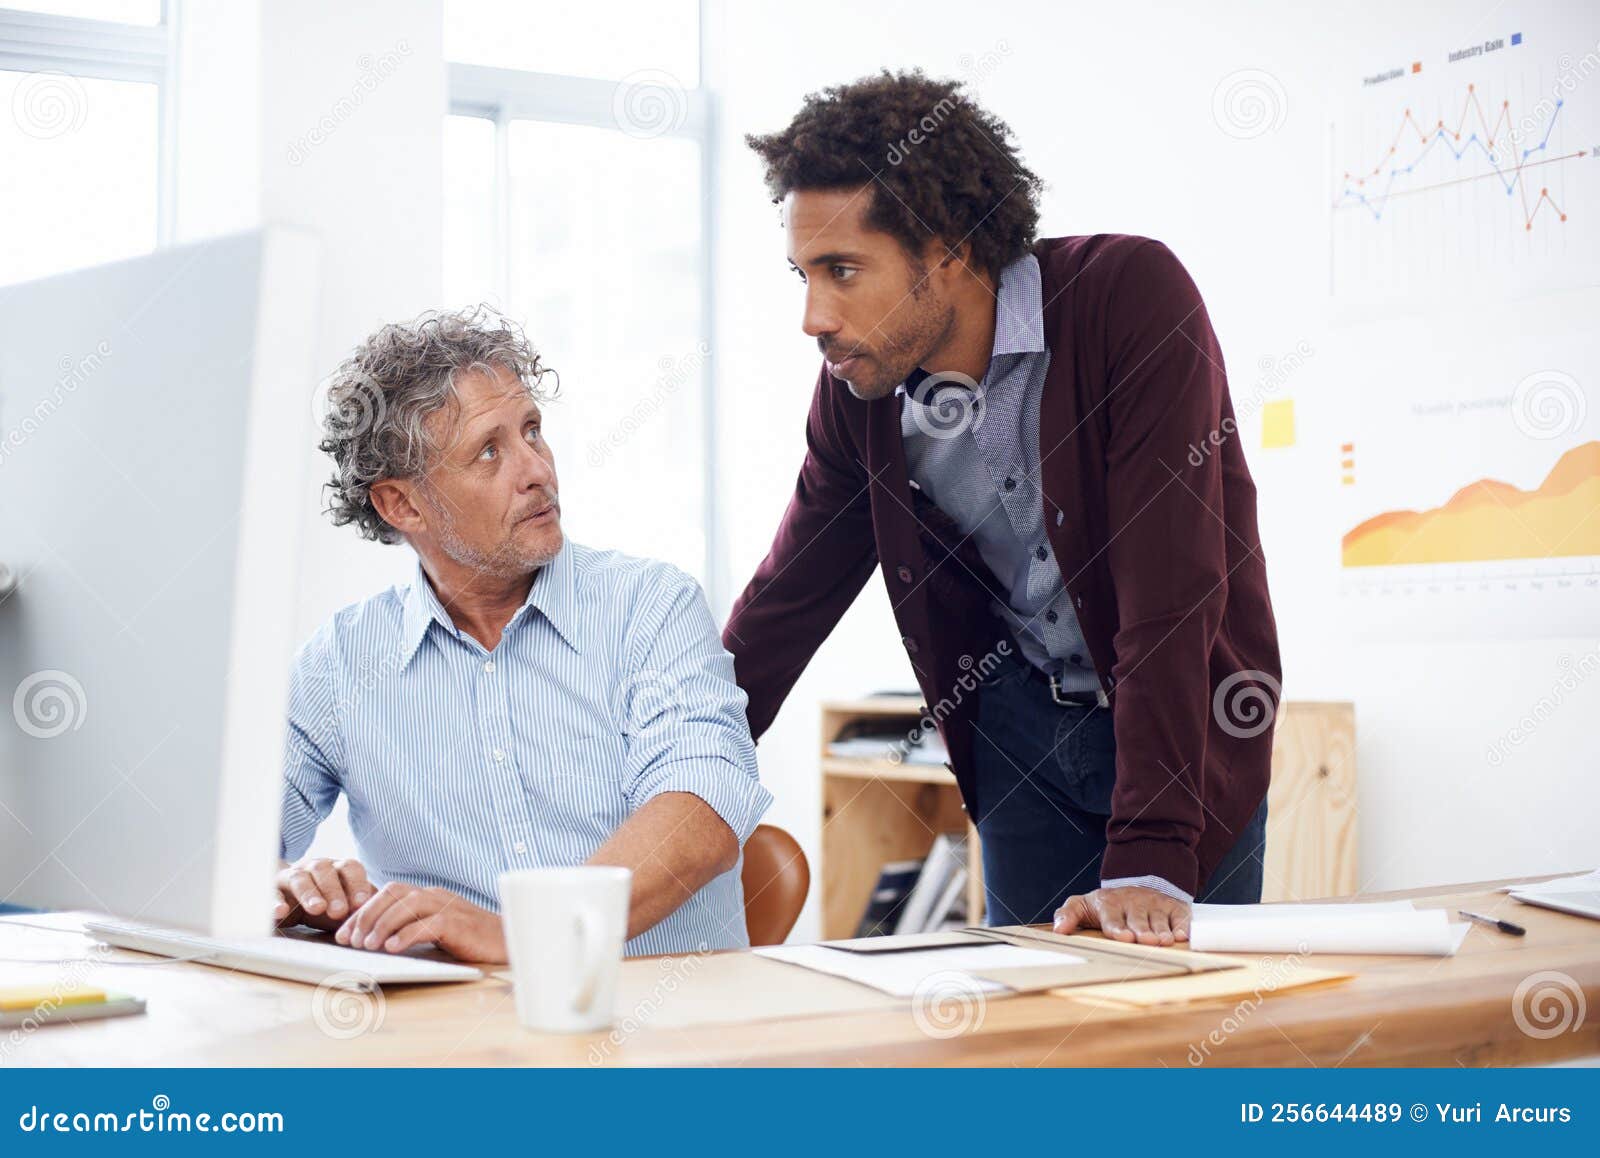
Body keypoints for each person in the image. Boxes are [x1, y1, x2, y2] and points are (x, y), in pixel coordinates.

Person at [724, 71, 1281, 945]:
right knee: (1041, 1037)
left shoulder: (1128, 297)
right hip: (1023, 735)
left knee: (1181, 1029)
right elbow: (784, 604)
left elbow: (1172, 594)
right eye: (802, 273)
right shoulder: (858, 393)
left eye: (841, 271)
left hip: (1183, 727)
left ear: (946, 249)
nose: (812, 316)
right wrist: (671, 771)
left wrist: (1152, 847)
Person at [275, 308, 771, 962]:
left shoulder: (650, 608)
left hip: (659, 1032)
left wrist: (526, 936)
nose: (537, 469)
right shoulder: (340, 662)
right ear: (402, 505)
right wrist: (286, 886)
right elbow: (219, 854)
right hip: (453, 1045)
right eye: (489, 450)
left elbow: (701, 809)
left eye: (533, 431)